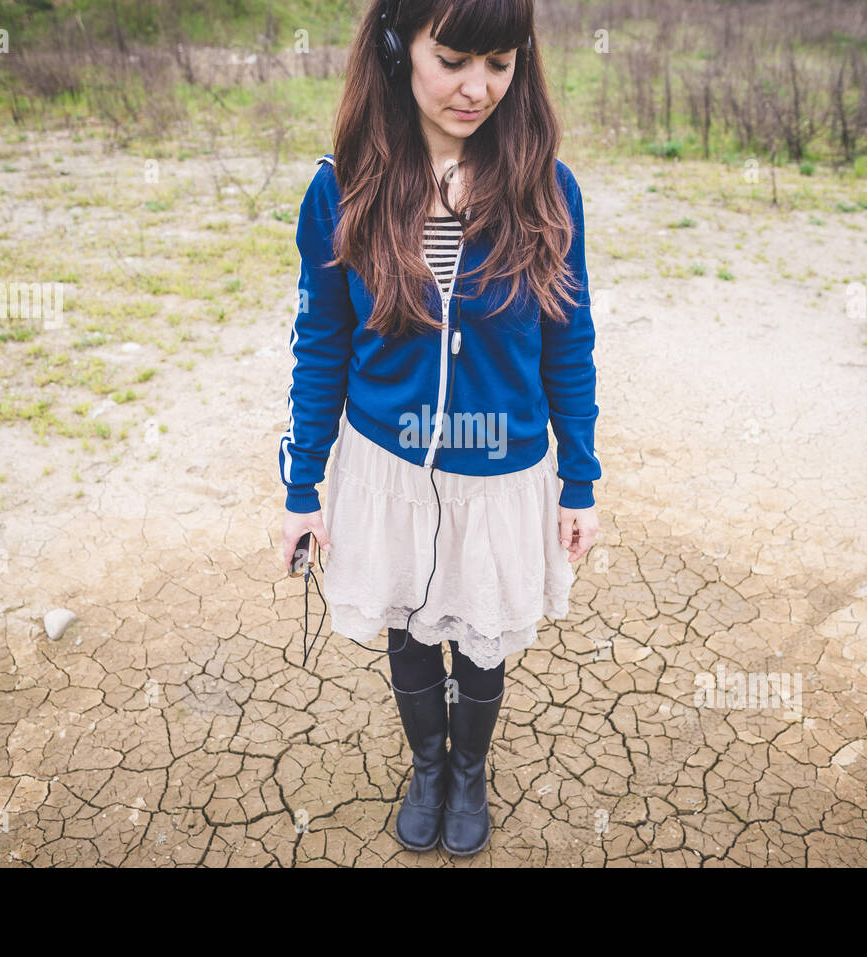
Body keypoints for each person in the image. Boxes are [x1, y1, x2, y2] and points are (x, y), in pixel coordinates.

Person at [277, 0, 600, 857]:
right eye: (454, 58)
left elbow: (569, 345)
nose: (479, 87)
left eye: (501, 62)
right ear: (396, 44)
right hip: (387, 467)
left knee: (482, 625)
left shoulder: (545, 186)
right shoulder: (340, 186)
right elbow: (321, 343)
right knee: (411, 624)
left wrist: (580, 480)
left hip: (500, 472)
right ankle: (428, 762)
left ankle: (470, 768)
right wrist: (302, 486)